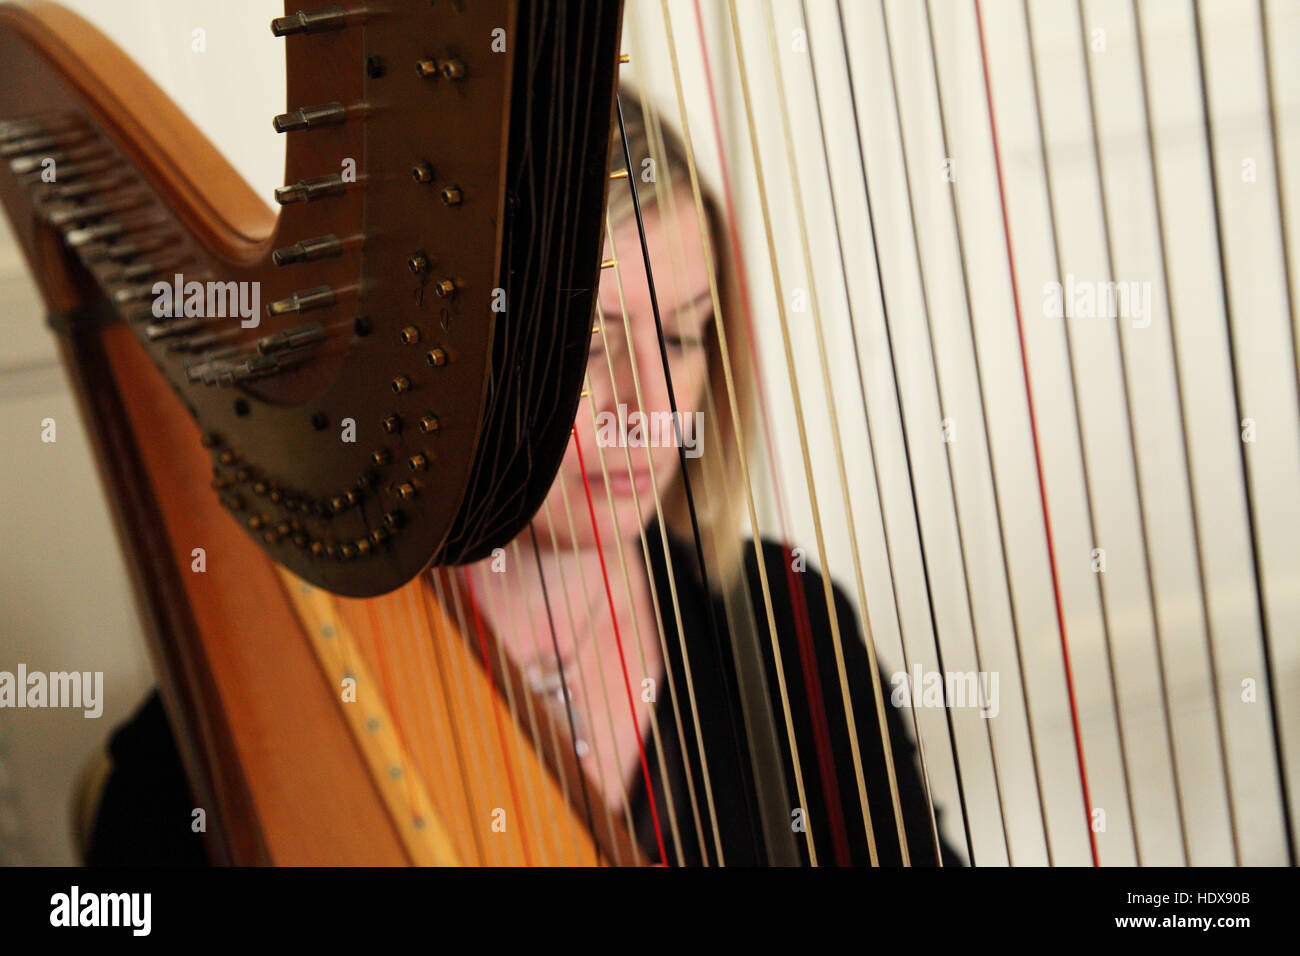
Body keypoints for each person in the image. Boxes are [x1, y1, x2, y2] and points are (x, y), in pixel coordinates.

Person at [460, 93, 961, 867]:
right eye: (593, 343)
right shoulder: (332, 650)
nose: (649, 409)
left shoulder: (792, 622)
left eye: (681, 337)